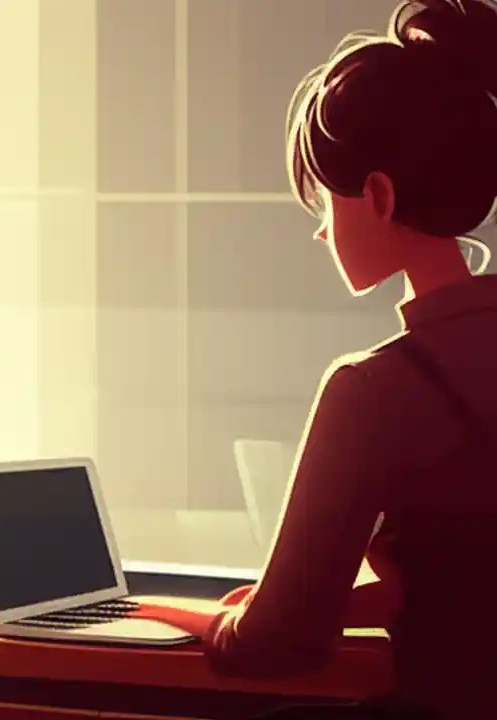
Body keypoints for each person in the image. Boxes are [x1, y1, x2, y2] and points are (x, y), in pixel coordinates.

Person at [129, 1, 497, 718]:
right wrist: (385, 595)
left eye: (326, 203)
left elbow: (280, 645)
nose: (323, 234)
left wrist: (202, 620)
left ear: (379, 196)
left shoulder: (376, 389)